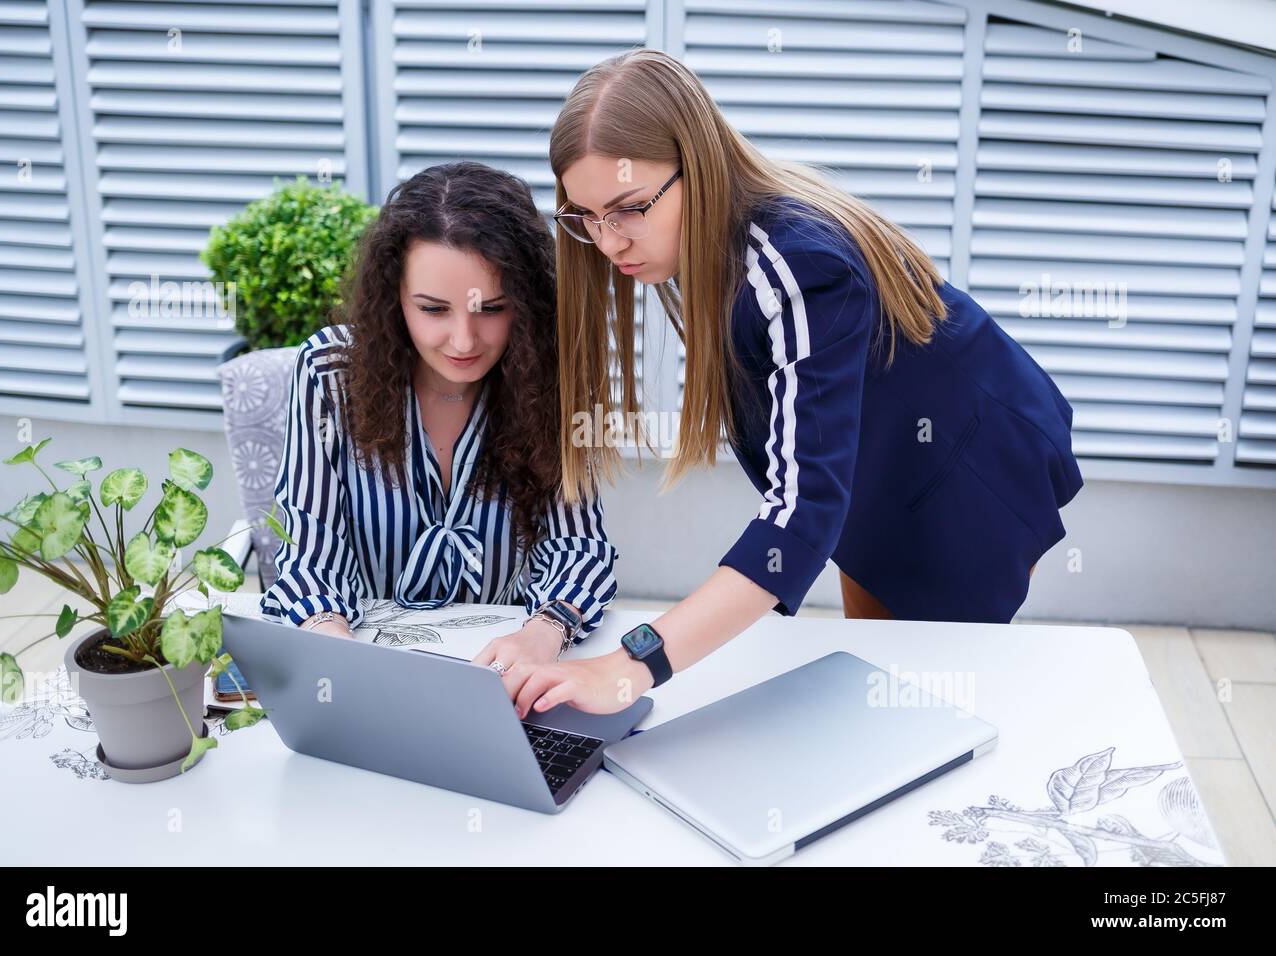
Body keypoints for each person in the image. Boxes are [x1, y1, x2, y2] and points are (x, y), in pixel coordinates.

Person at [509, 49, 1083, 719]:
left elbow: (800, 512)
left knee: (920, 714)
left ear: (698, 166)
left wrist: (630, 665)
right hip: (882, 478)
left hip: (969, 479)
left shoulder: (799, 266)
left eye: (629, 208)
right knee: (877, 693)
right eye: (586, 216)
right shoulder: (706, 244)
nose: (608, 242)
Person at [260, 162, 619, 685]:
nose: (464, 341)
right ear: (394, 301)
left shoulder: (554, 374)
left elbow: (580, 548)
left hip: (502, 668)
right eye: (433, 310)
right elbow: (308, 554)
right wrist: (336, 646)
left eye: (492, 309)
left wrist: (543, 633)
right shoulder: (329, 374)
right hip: (364, 661)